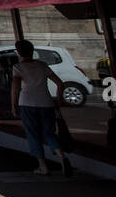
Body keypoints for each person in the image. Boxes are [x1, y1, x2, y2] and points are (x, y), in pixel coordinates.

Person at [10, 39, 72, 177]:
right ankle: (62, 157)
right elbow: (60, 84)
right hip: (46, 103)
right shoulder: (42, 66)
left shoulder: (18, 67)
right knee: (49, 132)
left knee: (33, 134)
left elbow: (15, 88)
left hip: (27, 103)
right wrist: (59, 100)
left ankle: (43, 166)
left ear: (19, 52)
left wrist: (13, 106)